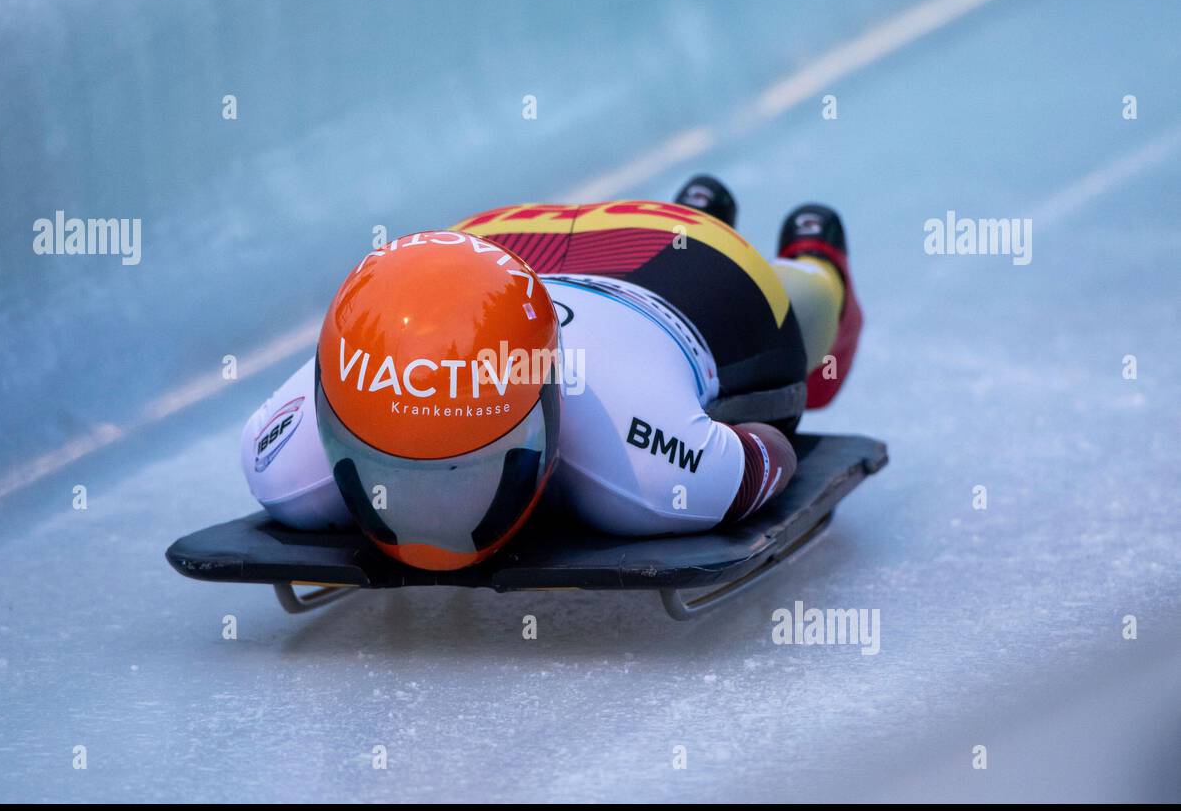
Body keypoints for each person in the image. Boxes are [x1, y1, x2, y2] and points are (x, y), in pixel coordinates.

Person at [240, 175, 862, 563]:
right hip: (511, 244)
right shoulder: (282, 461)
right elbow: (767, 457)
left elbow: (768, 451)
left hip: (690, 271)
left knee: (805, 310)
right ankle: (697, 205)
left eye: (467, 472)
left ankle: (814, 258)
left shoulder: (644, 471)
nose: (428, 521)